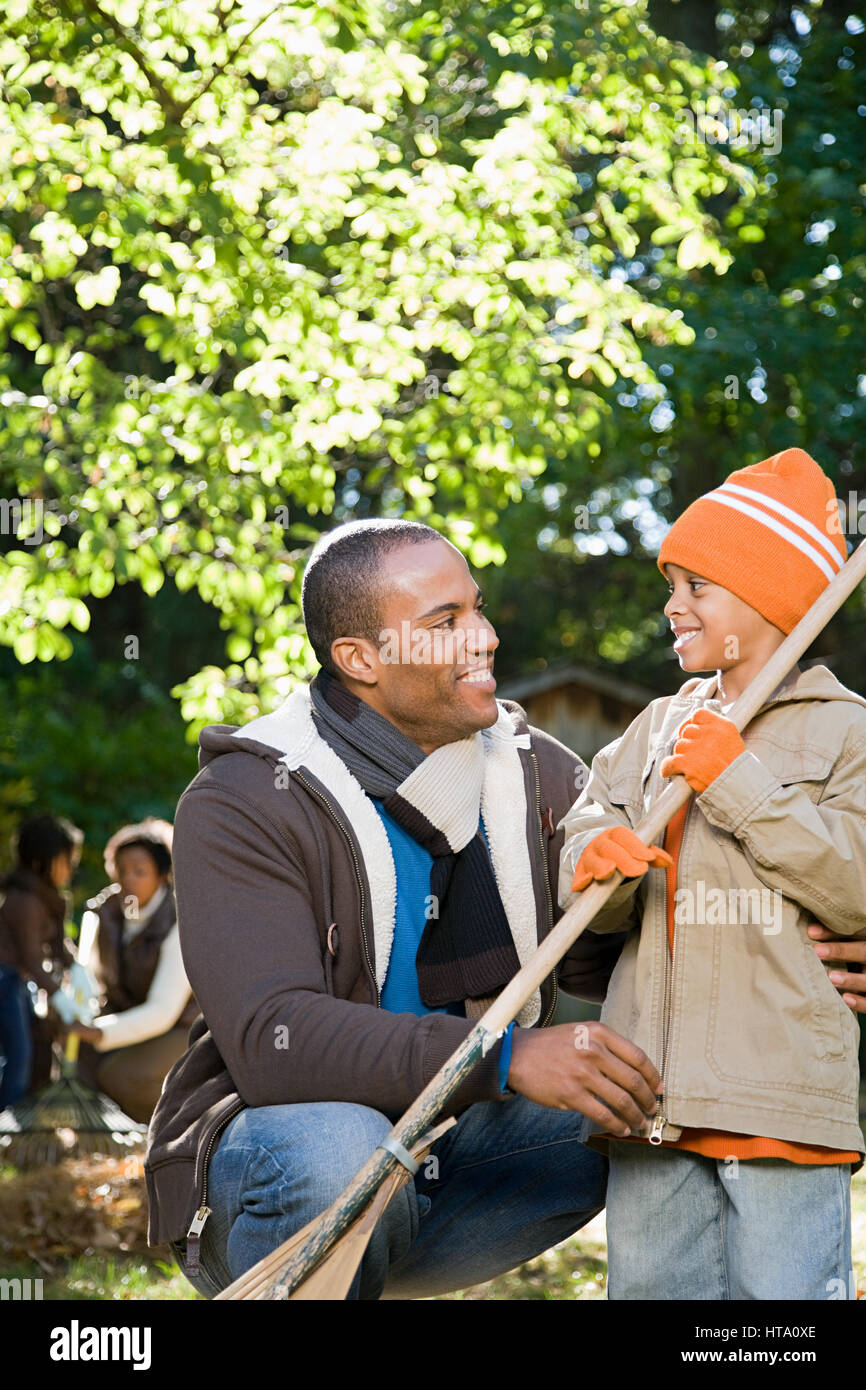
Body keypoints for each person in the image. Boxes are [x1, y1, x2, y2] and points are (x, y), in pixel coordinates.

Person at [145, 518, 664, 1300]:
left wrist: (814, 957)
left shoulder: (535, 775)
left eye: (478, 610)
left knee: (666, 1088)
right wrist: (507, 1058)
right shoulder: (244, 799)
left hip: (453, 1154)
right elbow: (272, 1041)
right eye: (445, 622)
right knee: (337, 1143)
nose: (485, 638)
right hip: (284, 1166)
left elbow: (600, 950)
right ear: (359, 660)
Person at [558, 447, 866, 1301]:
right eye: (672, 584)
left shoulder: (847, 734)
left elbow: (856, 889)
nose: (672, 605)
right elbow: (591, 826)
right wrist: (594, 862)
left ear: (771, 598)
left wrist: (739, 782)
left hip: (779, 1099)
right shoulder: (657, 727)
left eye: (698, 585)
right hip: (649, 1096)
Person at [71, 819, 198, 1124]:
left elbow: (163, 1010)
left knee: (119, 1076)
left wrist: (100, 1031)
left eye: (139, 872)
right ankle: (91, 1140)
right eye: (121, 871)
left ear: (162, 876)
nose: (128, 880)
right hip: (125, 1019)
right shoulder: (104, 912)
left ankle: (167, 1138)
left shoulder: (180, 922)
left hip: (184, 1028)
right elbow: (85, 973)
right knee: (81, 1063)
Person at [0, 814, 82, 1107]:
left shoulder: (49, 899)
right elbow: (33, 961)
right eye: (66, 860)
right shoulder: (23, 902)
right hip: (6, 983)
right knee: (18, 1054)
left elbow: (59, 947)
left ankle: (27, 1112)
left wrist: (79, 969)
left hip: (20, 985)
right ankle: (6, 1120)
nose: (71, 868)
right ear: (41, 860)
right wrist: (59, 995)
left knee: (37, 1046)